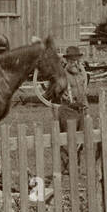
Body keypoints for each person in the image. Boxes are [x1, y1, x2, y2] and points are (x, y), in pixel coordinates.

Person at [30, 45, 89, 203]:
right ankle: (65, 169)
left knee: (80, 141)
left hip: (81, 110)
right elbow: (53, 92)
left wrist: (86, 107)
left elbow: (84, 91)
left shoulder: (82, 74)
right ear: (67, 60)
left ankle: (75, 168)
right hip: (67, 110)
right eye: (72, 60)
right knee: (65, 141)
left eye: (77, 59)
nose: (75, 62)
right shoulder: (61, 75)